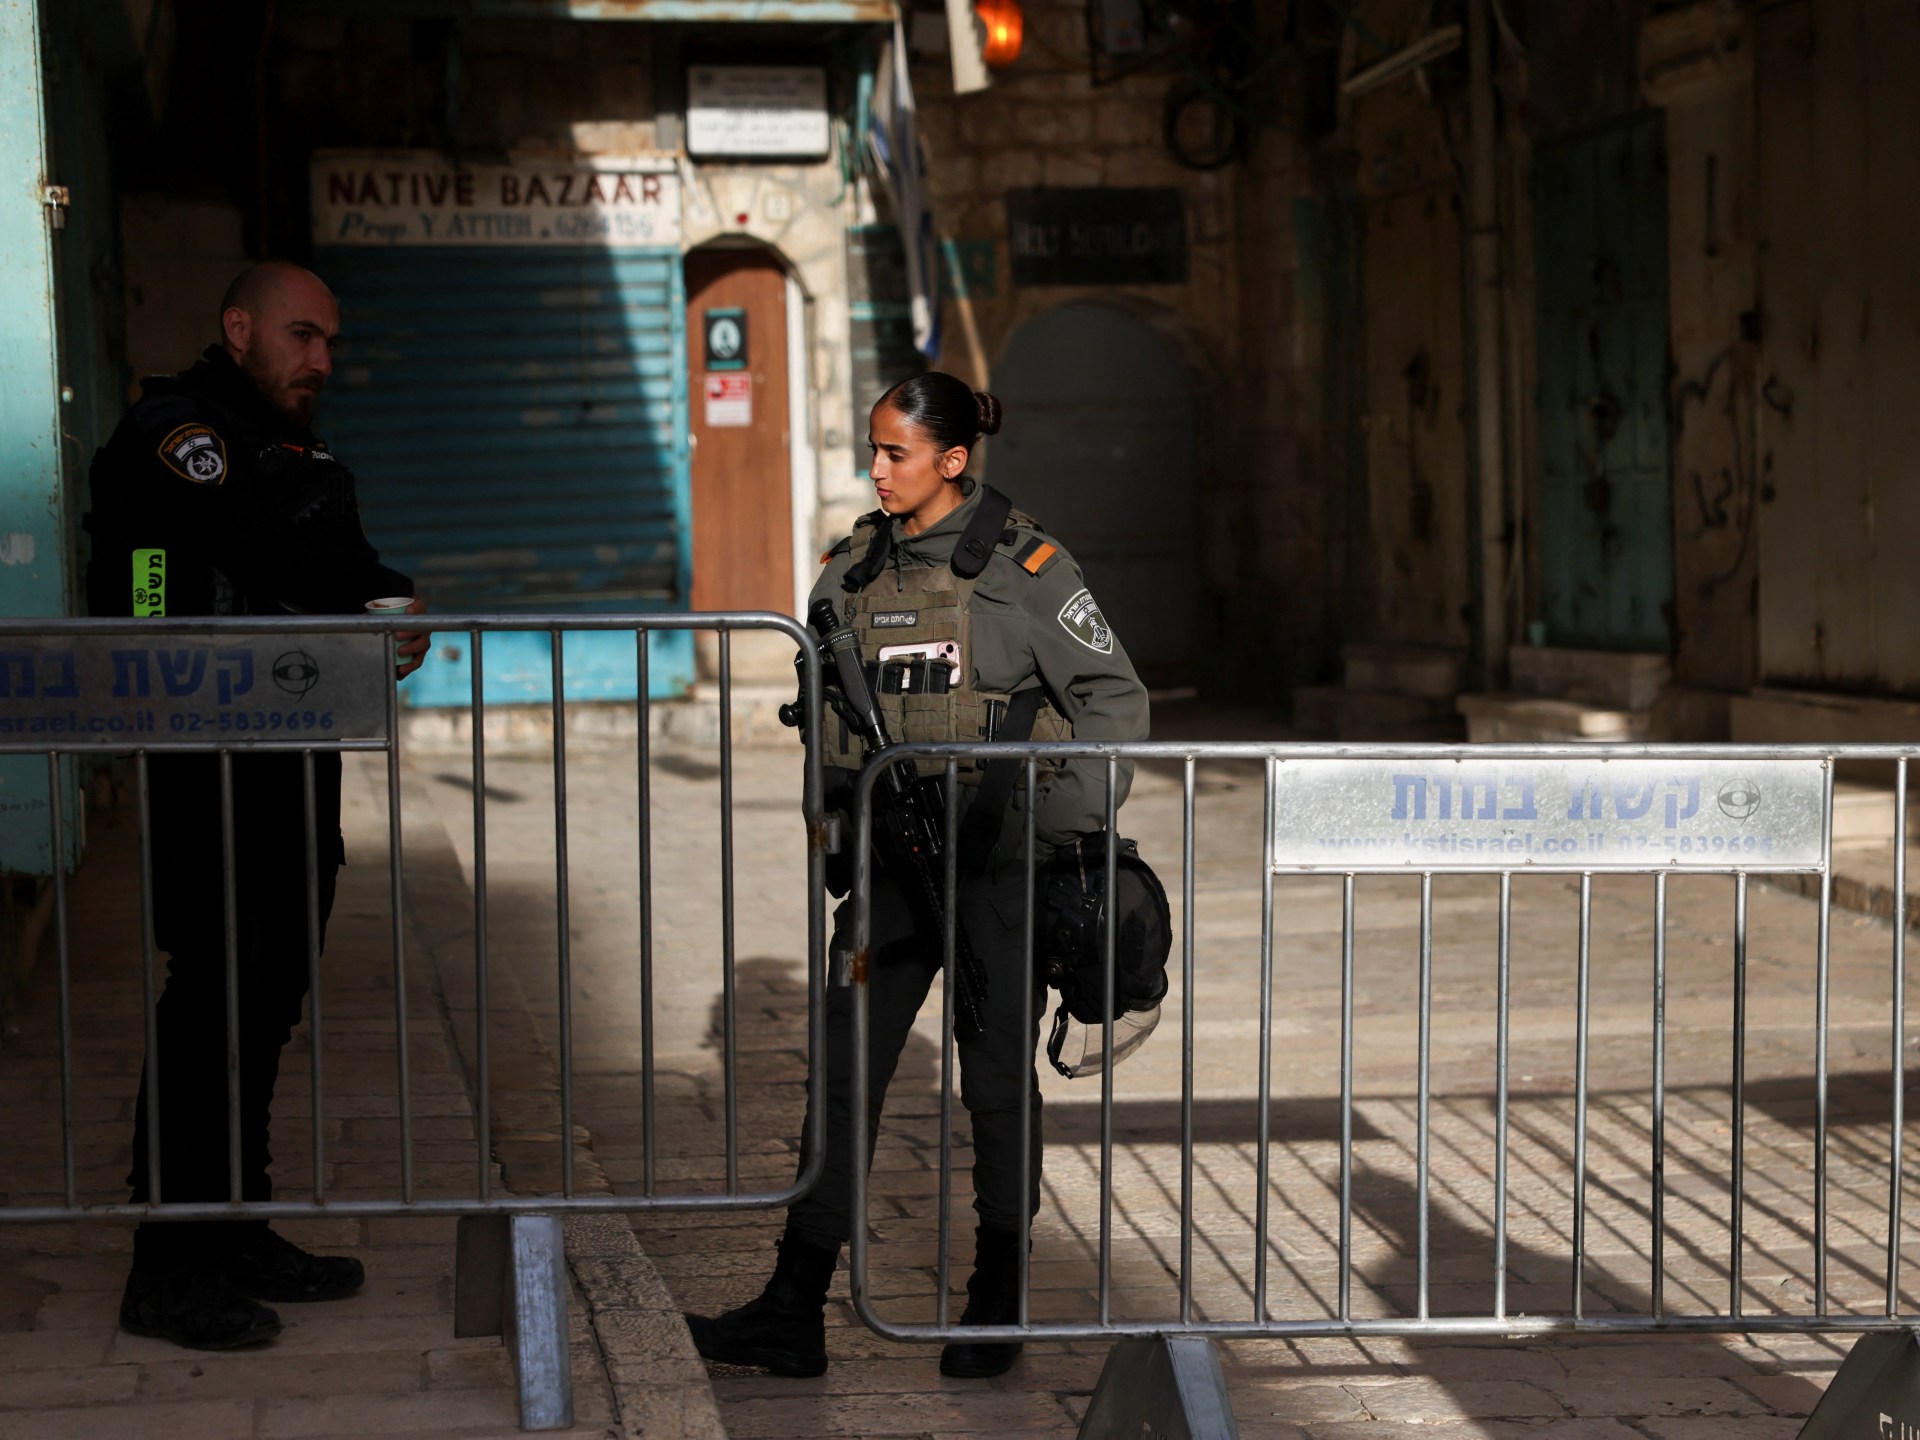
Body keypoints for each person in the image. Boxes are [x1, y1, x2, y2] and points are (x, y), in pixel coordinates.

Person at [685, 372, 1150, 1379]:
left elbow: (1114, 703)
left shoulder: (1027, 569)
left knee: (992, 1082)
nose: (878, 469)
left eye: (896, 452)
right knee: (845, 1074)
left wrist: (1052, 830)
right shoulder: (847, 574)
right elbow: (823, 725)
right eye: (872, 450)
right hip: (888, 877)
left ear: (952, 460)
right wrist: (834, 832)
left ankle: (998, 1293)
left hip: (997, 871)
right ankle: (794, 1300)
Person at [84, 261, 429, 1350]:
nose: (320, 359)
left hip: (291, 757)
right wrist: (332, 588)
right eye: (300, 336)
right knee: (213, 1003)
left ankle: (237, 1226)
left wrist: (392, 607)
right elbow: (245, 549)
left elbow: (336, 560)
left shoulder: (300, 451)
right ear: (238, 328)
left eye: (329, 340)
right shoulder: (176, 432)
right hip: (205, 759)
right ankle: (167, 1264)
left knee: (269, 995)